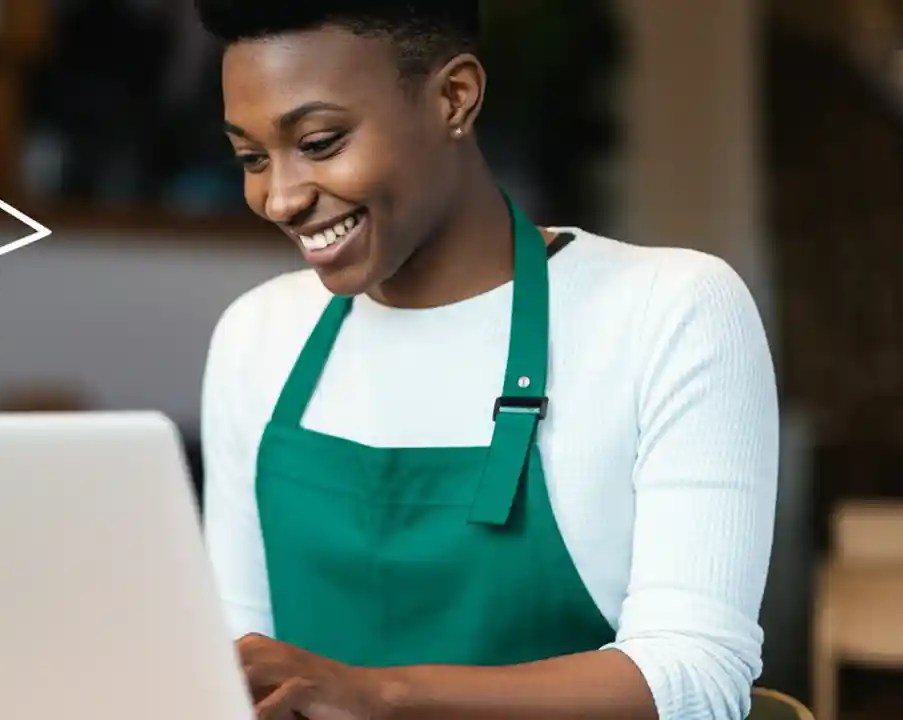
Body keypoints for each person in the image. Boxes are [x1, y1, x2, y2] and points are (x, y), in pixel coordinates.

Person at [195, 2, 778, 719]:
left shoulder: (669, 311)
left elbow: (699, 679)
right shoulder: (256, 336)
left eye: (319, 141)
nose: (279, 197)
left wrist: (374, 693)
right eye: (252, 158)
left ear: (453, 98)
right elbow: (236, 656)